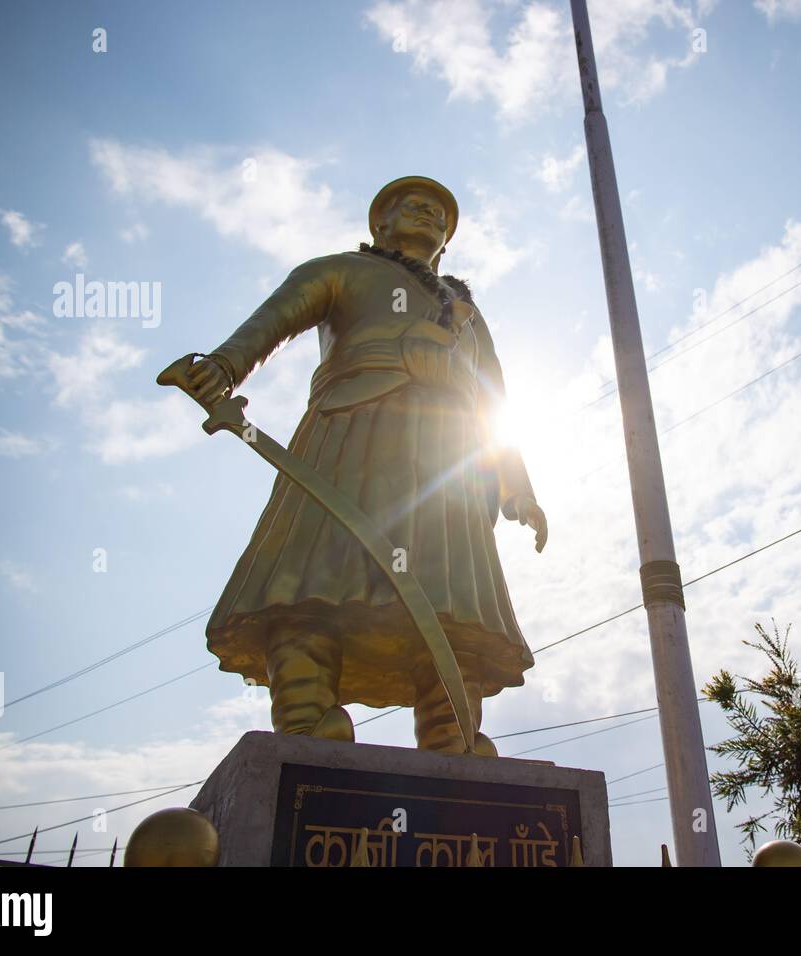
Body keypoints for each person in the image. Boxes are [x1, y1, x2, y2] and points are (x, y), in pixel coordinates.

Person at [181, 176, 546, 755]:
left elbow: (493, 402)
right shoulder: (341, 272)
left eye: (439, 214)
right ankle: (303, 720)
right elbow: (274, 320)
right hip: (351, 433)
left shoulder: (468, 314)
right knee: (312, 585)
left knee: (448, 604)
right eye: (413, 205)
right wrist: (223, 365)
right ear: (380, 223)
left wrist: (516, 487)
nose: (428, 214)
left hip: (448, 464)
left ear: (447, 242)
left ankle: (451, 735)